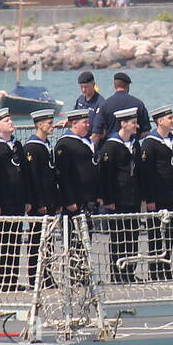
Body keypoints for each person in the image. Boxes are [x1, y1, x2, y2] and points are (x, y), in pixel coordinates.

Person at [0, 108, 28, 290]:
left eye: (10, 120)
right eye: (7, 121)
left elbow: (24, 174)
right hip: (3, 202)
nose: (11, 123)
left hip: (17, 200)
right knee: (3, 241)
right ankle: (2, 281)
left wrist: (27, 199)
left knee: (15, 240)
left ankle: (12, 279)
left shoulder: (17, 145)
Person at [55, 108, 98, 285]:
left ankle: (84, 272)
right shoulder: (65, 144)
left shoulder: (85, 141)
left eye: (88, 122)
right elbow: (62, 175)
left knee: (87, 237)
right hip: (75, 200)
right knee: (73, 239)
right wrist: (69, 200)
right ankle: (74, 275)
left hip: (88, 197)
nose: (88, 125)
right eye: (84, 122)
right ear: (74, 124)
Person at [138, 105, 173, 280]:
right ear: (160, 121)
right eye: (169, 118)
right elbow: (146, 173)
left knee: (170, 231)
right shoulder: (150, 143)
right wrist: (149, 198)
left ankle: (167, 267)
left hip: (172, 193)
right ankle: (155, 270)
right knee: (155, 233)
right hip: (157, 195)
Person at [100, 107, 141, 283]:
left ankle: (130, 271)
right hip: (118, 197)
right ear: (123, 124)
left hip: (132, 195)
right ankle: (117, 273)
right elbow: (106, 174)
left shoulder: (134, 144)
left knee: (133, 234)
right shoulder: (111, 146)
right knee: (119, 237)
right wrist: (108, 200)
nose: (136, 126)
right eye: (132, 123)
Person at [23, 109, 59, 287]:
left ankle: (47, 273)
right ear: (39, 125)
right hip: (41, 202)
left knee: (48, 241)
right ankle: (35, 276)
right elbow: (33, 178)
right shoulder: (32, 147)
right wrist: (40, 203)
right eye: (48, 123)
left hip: (50, 198)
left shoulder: (46, 145)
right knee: (37, 240)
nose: (51, 126)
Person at [102, 71, 150, 137]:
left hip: (110, 145)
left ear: (114, 86)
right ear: (127, 86)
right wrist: (134, 139)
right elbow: (146, 131)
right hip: (132, 146)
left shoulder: (104, 105)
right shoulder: (138, 104)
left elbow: (98, 132)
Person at [74, 71, 109, 145]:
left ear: (93, 85)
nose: (83, 90)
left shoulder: (101, 103)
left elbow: (97, 133)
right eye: (81, 87)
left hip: (95, 142)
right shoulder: (80, 99)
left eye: (86, 87)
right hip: (80, 139)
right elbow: (74, 119)